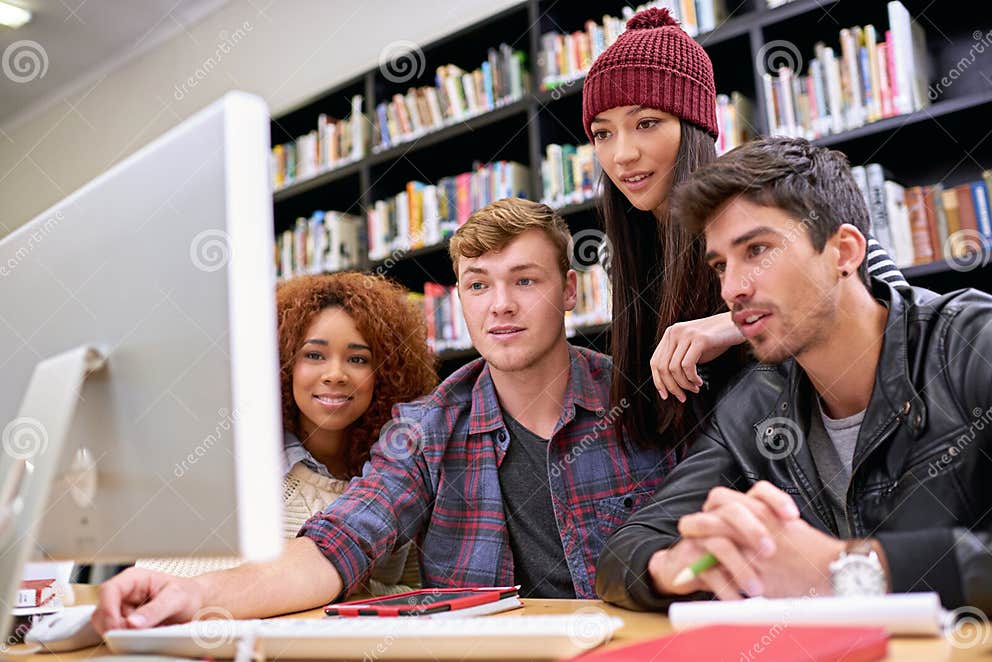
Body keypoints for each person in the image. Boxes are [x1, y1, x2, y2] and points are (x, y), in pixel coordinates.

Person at [92, 198, 670, 633]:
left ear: (570, 290)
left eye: (525, 280)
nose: (501, 305)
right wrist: (193, 596)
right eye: (478, 285)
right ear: (459, 299)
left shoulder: (648, 399)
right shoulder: (425, 428)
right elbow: (334, 546)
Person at [595, 137, 992, 613]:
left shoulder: (972, 344)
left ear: (844, 251)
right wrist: (672, 563)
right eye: (721, 265)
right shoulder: (755, 407)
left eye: (758, 249)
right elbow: (623, 552)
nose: (731, 288)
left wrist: (848, 568)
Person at [581, 7, 907, 451]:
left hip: (820, 459)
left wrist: (735, 324)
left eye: (646, 124)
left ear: (693, 127)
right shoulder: (619, 256)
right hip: (717, 475)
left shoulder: (761, 201)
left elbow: (891, 302)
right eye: (603, 133)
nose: (622, 155)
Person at [137, 272, 436, 596]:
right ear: (281, 365)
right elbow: (161, 579)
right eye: (314, 355)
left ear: (386, 373)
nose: (335, 374)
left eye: (357, 358)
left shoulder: (399, 474)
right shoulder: (233, 465)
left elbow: (414, 596)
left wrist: (315, 583)